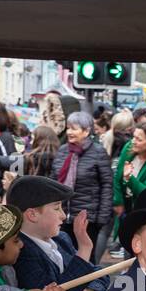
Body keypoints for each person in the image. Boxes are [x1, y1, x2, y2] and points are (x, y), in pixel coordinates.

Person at [8, 175, 110, 291]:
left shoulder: (61, 239)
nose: (63, 215)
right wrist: (84, 249)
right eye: (57, 208)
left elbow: (100, 273)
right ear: (32, 215)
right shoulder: (21, 251)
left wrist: (86, 290)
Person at [55, 111, 114, 262]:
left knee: (86, 259)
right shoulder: (62, 151)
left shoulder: (98, 152)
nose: (69, 132)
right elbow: (53, 181)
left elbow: (107, 185)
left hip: (88, 218)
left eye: (74, 128)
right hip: (62, 216)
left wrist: (101, 218)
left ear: (86, 131)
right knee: (63, 258)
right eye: (68, 128)